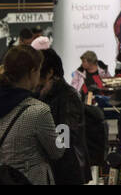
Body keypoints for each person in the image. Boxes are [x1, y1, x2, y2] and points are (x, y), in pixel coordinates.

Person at [0, 46, 64, 184]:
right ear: (32, 72)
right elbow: (57, 152)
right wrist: (63, 130)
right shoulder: (38, 110)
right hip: (29, 179)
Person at [36, 48, 88, 185]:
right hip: (56, 167)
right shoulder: (43, 94)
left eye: (37, 70)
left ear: (50, 72)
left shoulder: (68, 96)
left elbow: (65, 136)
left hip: (67, 170)